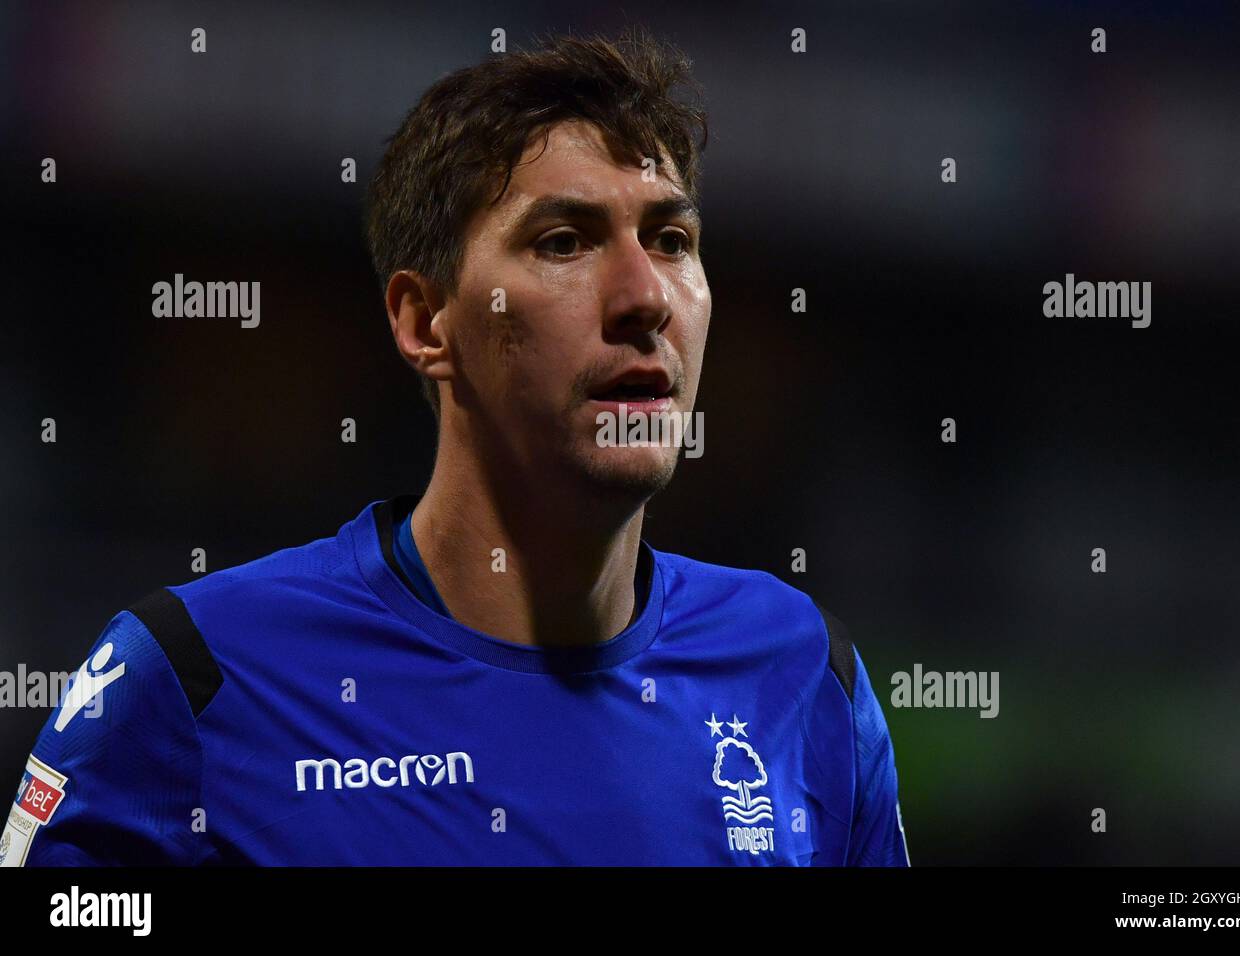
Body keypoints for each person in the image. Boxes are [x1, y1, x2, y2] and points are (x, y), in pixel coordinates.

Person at [3, 29, 908, 866]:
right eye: (565, 242)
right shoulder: (191, 679)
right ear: (425, 320)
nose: (646, 296)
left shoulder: (802, 678)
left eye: (671, 240)